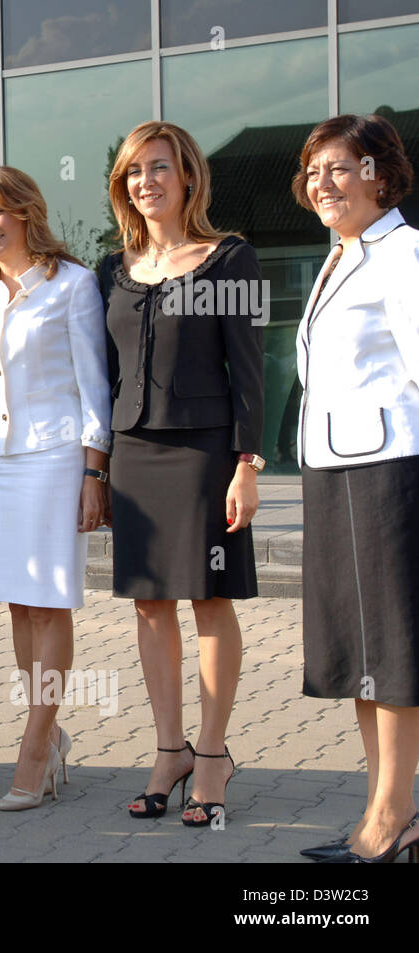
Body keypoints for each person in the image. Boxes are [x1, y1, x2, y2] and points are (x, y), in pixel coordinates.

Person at [98, 121, 265, 826]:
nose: (147, 182)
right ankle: (170, 749)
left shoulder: (230, 258)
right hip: (133, 449)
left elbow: (249, 371)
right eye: (135, 171)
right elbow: (104, 372)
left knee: (208, 600)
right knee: (148, 604)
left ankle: (215, 753)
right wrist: (97, 467)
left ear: (188, 176)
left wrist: (247, 464)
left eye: (160, 168)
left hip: (203, 451)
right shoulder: (113, 267)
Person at [0, 167, 112, 809]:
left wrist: (93, 471)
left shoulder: (71, 285)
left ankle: (34, 746)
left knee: (49, 603)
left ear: (25, 212)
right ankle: (48, 730)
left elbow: (93, 383)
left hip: (53, 458)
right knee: (18, 604)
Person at [291, 114, 419, 864]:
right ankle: (382, 808)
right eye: (313, 173)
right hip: (334, 471)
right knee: (360, 651)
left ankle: (394, 817)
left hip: (387, 472)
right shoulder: (340, 256)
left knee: (394, 650)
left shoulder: (403, 253)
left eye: (341, 168)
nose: (323, 183)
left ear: (380, 175)